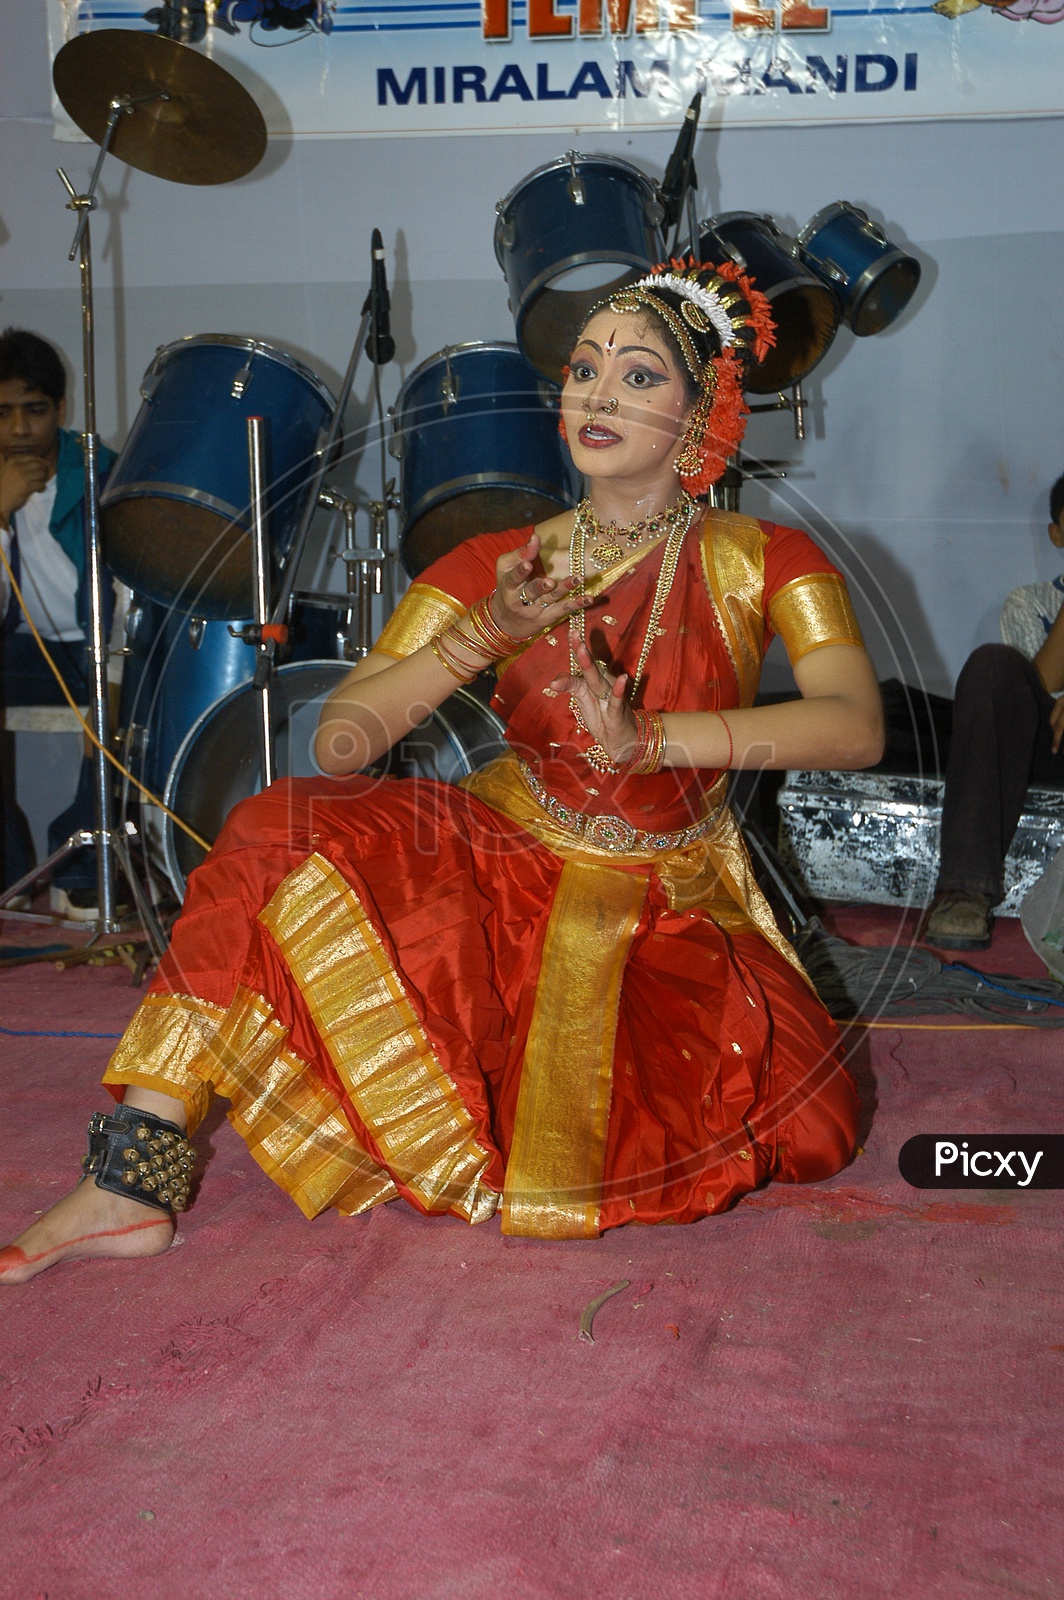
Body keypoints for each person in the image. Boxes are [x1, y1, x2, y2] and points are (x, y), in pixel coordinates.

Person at [0, 259, 884, 1284]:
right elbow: (342, 737)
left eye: (638, 377)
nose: (596, 393)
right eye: (583, 369)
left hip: (674, 891)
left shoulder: (766, 558)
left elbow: (852, 726)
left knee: (805, 1123)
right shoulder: (496, 562)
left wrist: (654, 741)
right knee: (281, 824)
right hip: (513, 852)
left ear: (702, 411)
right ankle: (132, 1177)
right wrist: (482, 635)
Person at [0, 328, 119, 917]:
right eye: (2, 414)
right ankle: (10, 877)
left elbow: (131, 595)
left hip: (101, 649)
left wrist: (112, 673)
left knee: (133, 702)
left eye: (35, 410)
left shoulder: (102, 472)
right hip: (24, 653)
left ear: (62, 409)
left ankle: (77, 867)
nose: (20, 429)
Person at [923, 473, 1064, 949]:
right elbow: (1030, 699)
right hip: (1050, 744)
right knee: (992, 665)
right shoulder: (1030, 602)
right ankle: (964, 891)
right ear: (1057, 535)